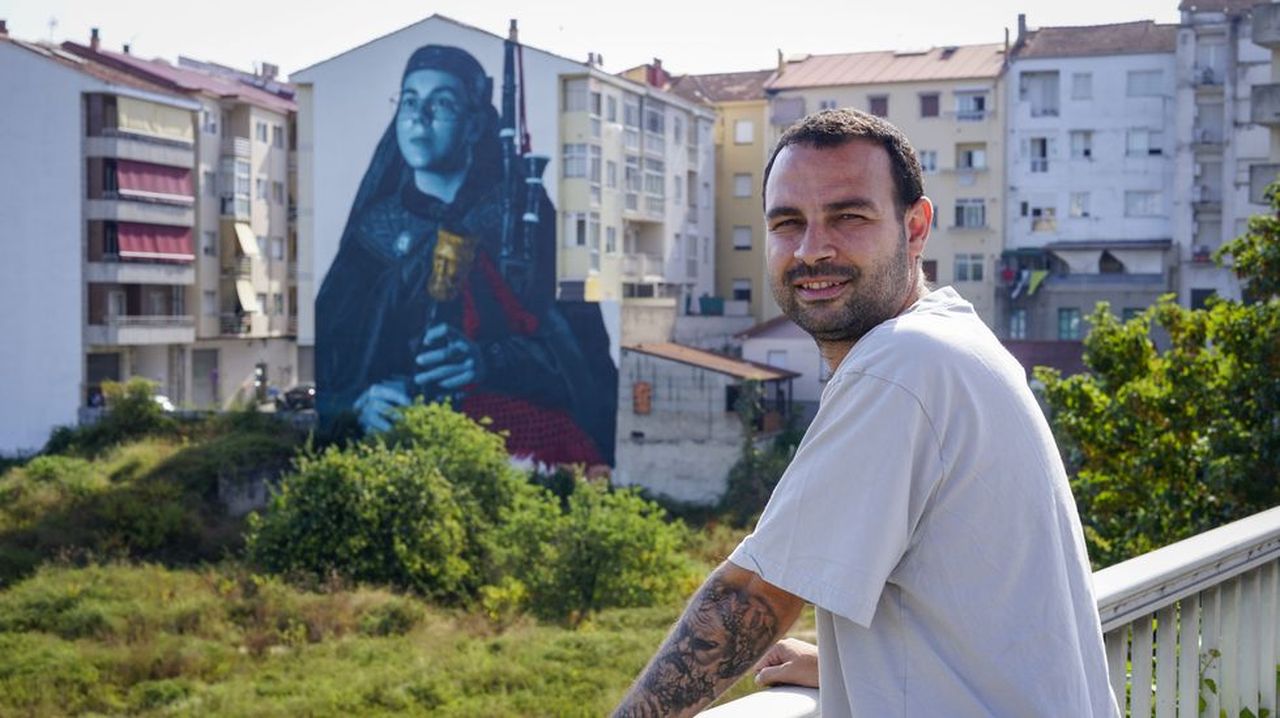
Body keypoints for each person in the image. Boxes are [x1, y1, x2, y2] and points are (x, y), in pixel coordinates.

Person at [612, 109, 1118, 717]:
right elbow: (984, 609)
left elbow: (755, 595)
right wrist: (841, 663)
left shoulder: (900, 366)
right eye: (788, 222)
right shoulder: (958, 344)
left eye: (849, 216)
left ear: (915, 227)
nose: (811, 249)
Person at [315, 45, 613, 465]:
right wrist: (355, 405)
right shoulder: (374, 233)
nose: (420, 117)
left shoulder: (521, 218)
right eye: (410, 102)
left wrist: (487, 361)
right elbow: (332, 364)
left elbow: (578, 354)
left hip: (509, 454)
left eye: (443, 103)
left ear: (474, 125)